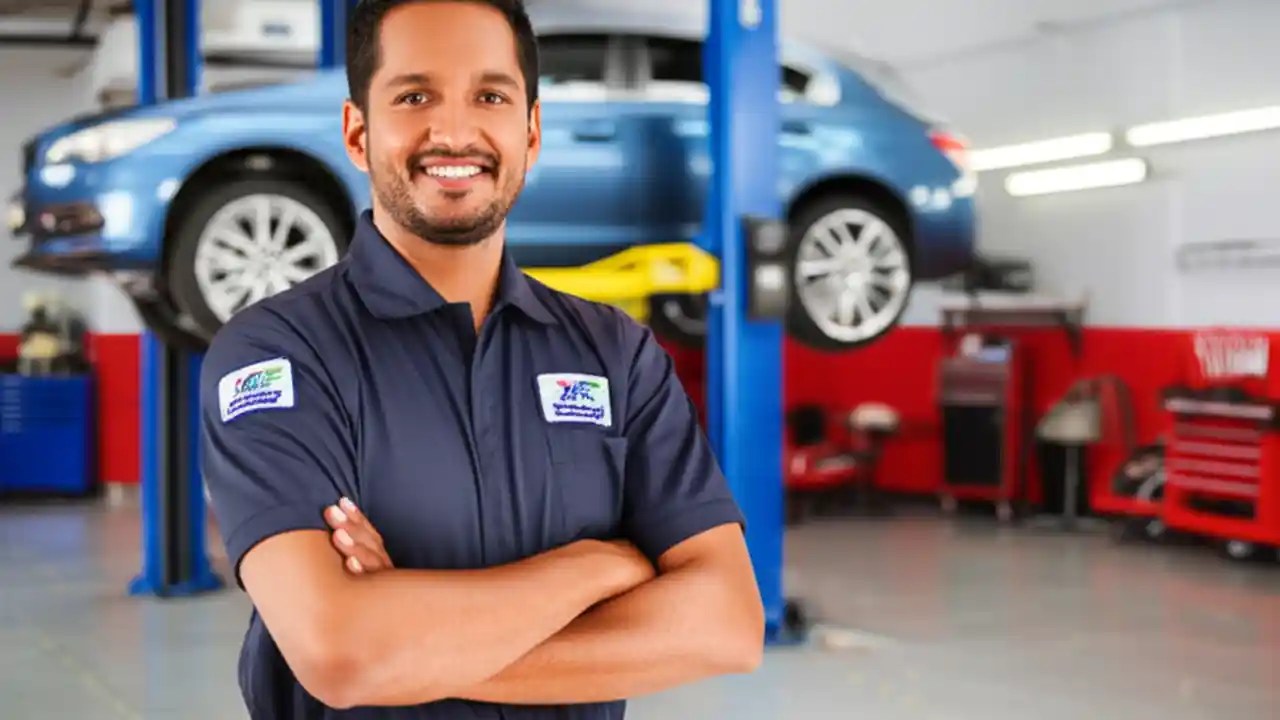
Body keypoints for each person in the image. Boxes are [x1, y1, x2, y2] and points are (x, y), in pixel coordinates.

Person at [198, 0, 765, 717]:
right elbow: (341, 655)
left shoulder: (616, 355)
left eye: (490, 96)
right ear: (356, 131)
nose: (455, 131)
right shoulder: (278, 354)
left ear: (530, 133)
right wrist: (600, 564)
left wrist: (411, 651)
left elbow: (727, 624)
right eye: (414, 96)